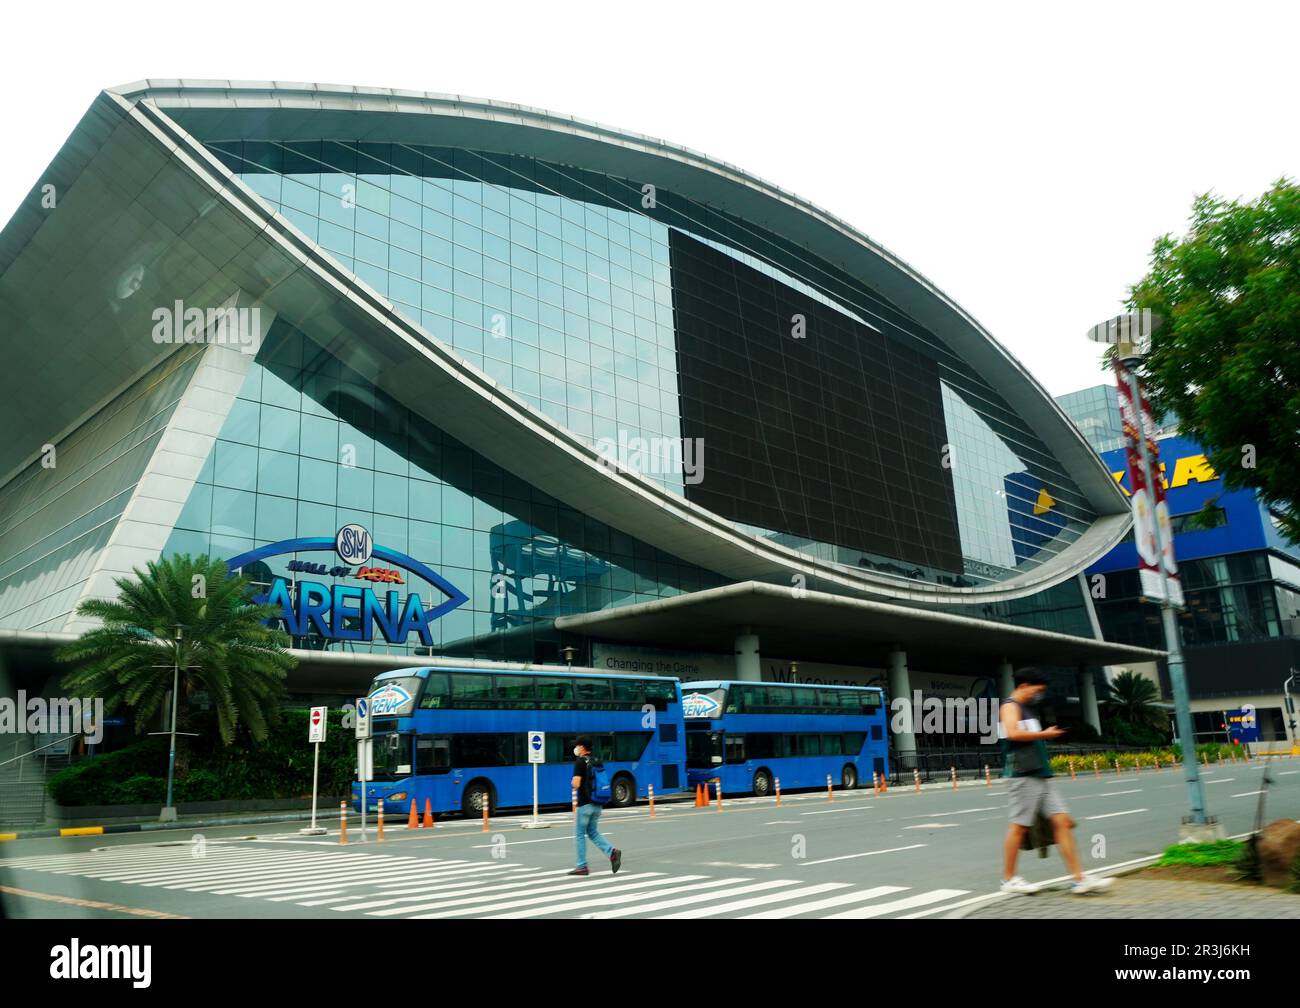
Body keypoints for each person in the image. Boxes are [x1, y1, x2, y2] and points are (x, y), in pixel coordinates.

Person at [999, 669, 1112, 896]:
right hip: (1023, 774)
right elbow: (1012, 733)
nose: (1039, 695)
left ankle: (1079, 880)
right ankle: (1009, 880)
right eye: (1038, 690)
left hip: (1041, 775)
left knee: (1063, 822)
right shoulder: (1010, 706)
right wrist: (1045, 735)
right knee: (1019, 827)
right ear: (1024, 685)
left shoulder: (1027, 709)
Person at [568, 736, 623, 876]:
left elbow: (577, 783)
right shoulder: (597, 761)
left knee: (580, 834)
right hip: (597, 803)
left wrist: (573, 783)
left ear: (582, 747)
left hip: (584, 805)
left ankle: (581, 866)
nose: (576, 748)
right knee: (592, 832)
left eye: (577, 745)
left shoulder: (580, 762)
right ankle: (612, 852)